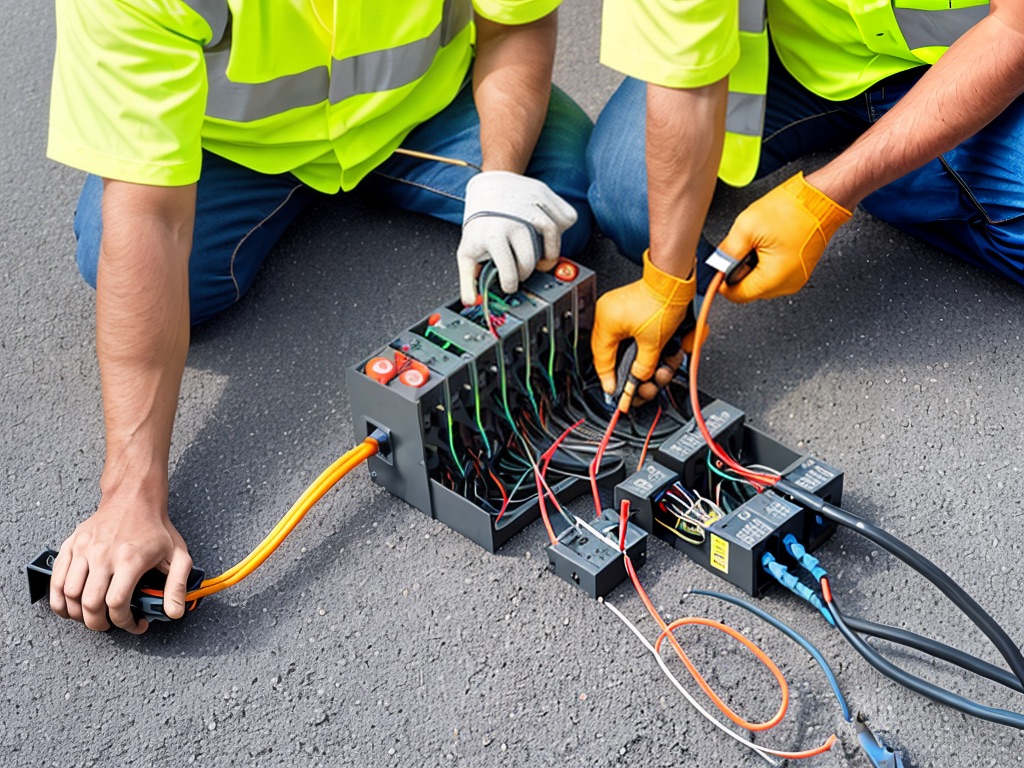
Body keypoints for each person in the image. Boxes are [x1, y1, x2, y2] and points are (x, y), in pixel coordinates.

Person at [46, 0, 594, 633]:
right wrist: (129, 495)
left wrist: (499, 180)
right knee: (130, 262)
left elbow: (515, 21)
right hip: (241, 145)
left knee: (559, 207)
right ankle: (282, 192)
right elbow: (149, 216)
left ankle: (430, 178)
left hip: (415, 109)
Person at [587, 0, 1024, 400]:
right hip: (787, 59)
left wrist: (832, 194)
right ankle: (907, 166)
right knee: (628, 198)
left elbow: (1013, 30)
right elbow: (680, 65)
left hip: (966, 60)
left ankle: (895, 172)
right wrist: (663, 281)